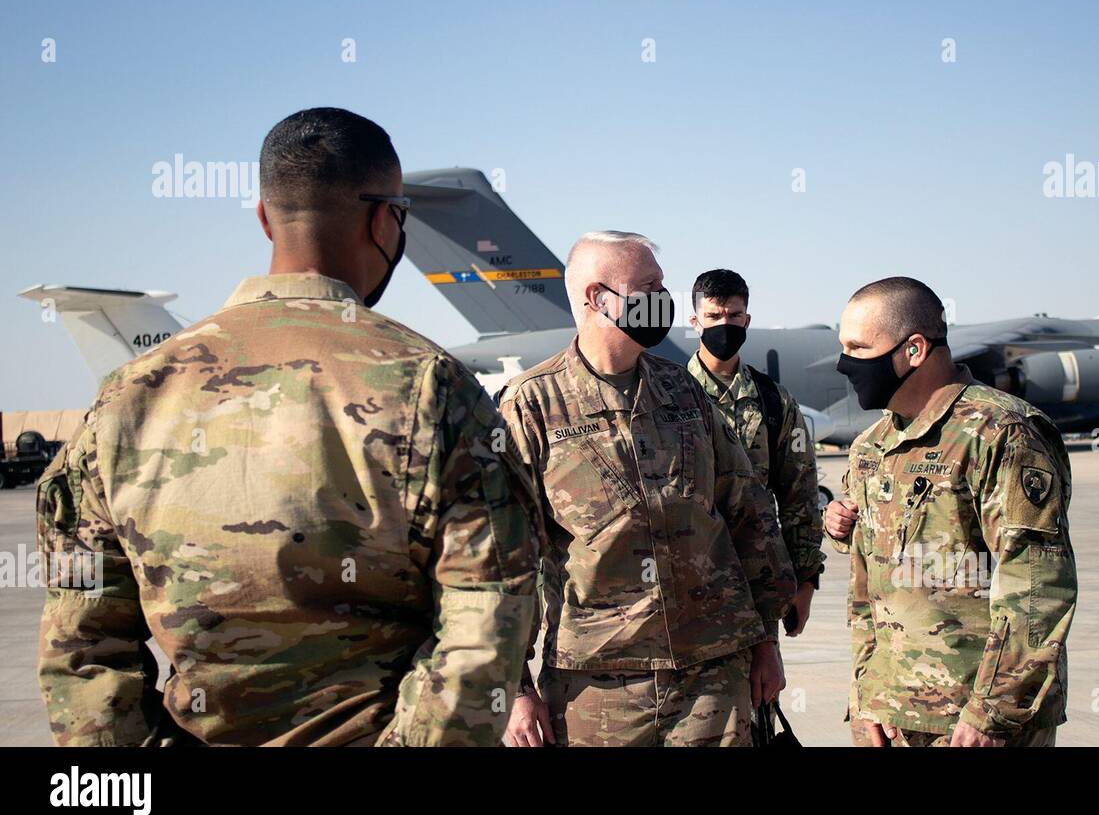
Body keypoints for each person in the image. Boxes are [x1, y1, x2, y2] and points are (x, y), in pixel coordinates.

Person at [35, 107, 541, 746]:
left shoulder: (126, 397)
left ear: (264, 217)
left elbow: (82, 645)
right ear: (386, 219)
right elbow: (488, 616)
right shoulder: (428, 386)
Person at [499, 231, 795, 746]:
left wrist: (765, 639)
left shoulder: (684, 391)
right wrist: (515, 687)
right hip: (596, 684)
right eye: (650, 285)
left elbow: (747, 512)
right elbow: (498, 555)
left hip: (714, 676)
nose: (664, 296)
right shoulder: (531, 407)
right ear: (598, 298)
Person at [823, 277, 1077, 747]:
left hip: (974, 725)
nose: (846, 364)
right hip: (892, 718)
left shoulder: (1002, 433)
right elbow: (865, 590)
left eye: (858, 347)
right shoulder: (872, 446)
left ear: (914, 349)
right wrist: (867, 694)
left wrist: (992, 714)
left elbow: (1038, 587)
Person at [685, 269, 824, 635]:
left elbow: (800, 495)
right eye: (714, 316)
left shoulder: (773, 400)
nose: (724, 324)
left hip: (757, 583)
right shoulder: (670, 395)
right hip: (684, 580)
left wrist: (806, 580)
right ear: (695, 322)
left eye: (733, 315)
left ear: (747, 320)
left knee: (760, 689)